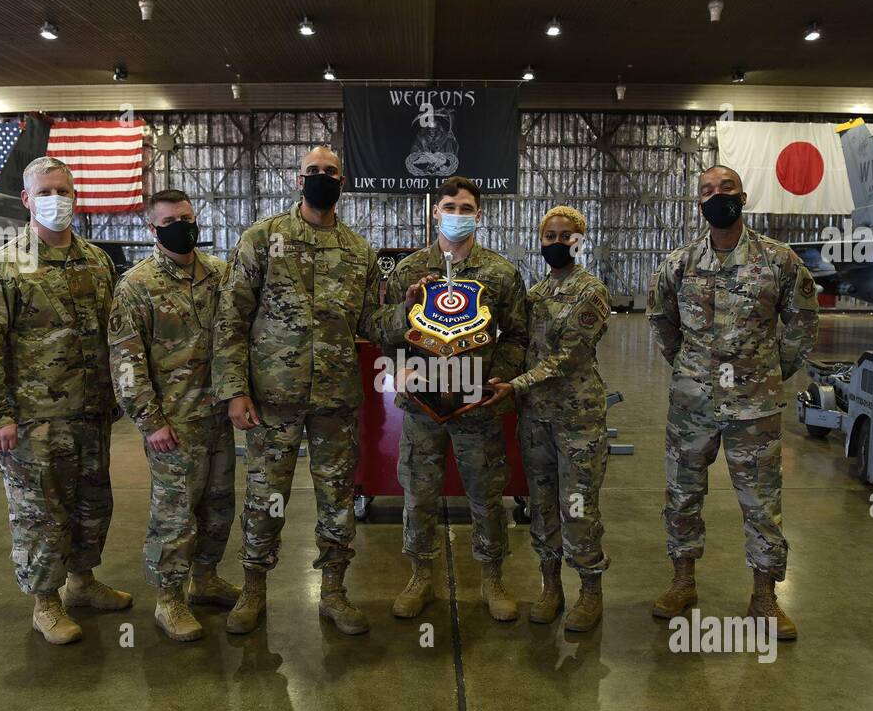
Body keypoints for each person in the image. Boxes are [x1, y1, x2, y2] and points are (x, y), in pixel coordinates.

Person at [213, 146, 413, 636]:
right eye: (313, 172)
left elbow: (371, 323)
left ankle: (334, 592)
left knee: (337, 498)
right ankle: (253, 588)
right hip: (272, 398)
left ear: (342, 183)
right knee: (266, 495)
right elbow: (231, 318)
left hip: (334, 399)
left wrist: (408, 309)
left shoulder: (358, 251)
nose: (322, 178)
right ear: (295, 179)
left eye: (330, 172)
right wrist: (234, 390)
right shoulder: (263, 239)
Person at [0, 156, 131, 646]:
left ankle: (81, 583)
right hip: (32, 421)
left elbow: (110, 337)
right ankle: (46, 602)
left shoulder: (96, 261)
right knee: (41, 514)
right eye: (46, 191)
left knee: (92, 505)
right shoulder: (3, 266)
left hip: (91, 414)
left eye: (64, 189)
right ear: (27, 200)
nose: (58, 199)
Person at [645, 164, 819, 639]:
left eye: (725, 189)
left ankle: (764, 596)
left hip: (754, 407)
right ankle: (682, 582)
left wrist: (769, 371)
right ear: (698, 202)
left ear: (742, 197)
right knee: (682, 494)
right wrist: (688, 367)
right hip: (692, 404)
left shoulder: (778, 260)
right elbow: (660, 319)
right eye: (706, 190)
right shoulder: (679, 262)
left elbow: (803, 321)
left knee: (761, 502)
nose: (716, 196)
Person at [375, 176, 529, 622]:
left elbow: (518, 335)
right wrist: (399, 360)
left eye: (465, 208)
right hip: (422, 404)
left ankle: (492, 578)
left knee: (486, 493)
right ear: (434, 212)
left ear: (478, 215)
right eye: (449, 206)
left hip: (475, 404)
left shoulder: (500, 273)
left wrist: (496, 376)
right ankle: (420, 575)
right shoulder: (407, 270)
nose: (457, 215)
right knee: (419, 493)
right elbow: (384, 330)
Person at [109, 189, 239, 643]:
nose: (182, 226)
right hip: (174, 423)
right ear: (153, 229)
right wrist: (150, 422)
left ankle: (205, 579)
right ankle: (169, 599)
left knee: (219, 506)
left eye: (187, 218)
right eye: (170, 221)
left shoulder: (220, 275)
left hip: (219, 417)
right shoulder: (136, 285)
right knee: (175, 514)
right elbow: (126, 362)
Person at [482, 206, 611, 631]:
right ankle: (550, 586)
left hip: (577, 419)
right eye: (549, 236)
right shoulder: (535, 294)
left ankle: (590, 591)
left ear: (579, 240)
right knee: (541, 505)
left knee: (578, 506)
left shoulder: (591, 292)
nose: (557, 243)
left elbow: (567, 357)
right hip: (535, 419)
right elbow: (519, 345)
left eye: (566, 236)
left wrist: (515, 385)